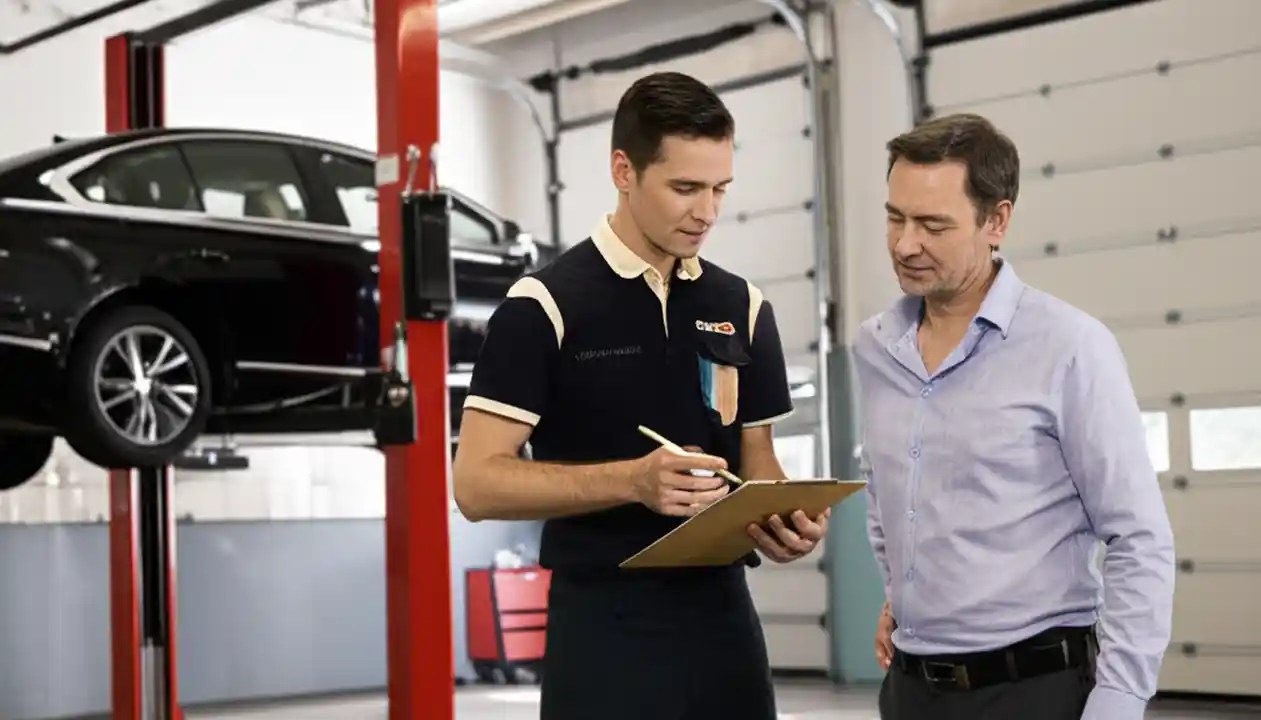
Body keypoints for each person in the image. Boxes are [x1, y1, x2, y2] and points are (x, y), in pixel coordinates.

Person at [452, 71, 830, 720]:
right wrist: (632, 481)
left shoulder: (742, 306)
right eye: (685, 188)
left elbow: (758, 461)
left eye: (720, 188)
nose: (707, 212)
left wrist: (783, 517)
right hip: (603, 630)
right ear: (623, 171)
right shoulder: (544, 306)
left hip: (723, 625)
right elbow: (475, 484)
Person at [854, 112, 1176, 720]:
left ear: (996, 221)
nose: (904, 244)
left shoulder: (1069, 347)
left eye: (933, 225)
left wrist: (1119, 699)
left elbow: (1138, 537)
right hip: (909, 690)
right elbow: (888, 494)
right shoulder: (875, 348)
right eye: (895, 217)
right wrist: (904, 595)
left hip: (1035, 691)